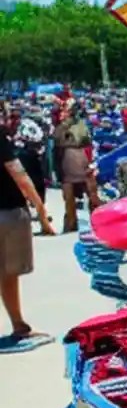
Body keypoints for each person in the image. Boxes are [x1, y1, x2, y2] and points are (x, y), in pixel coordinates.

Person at [0, 108, 56, 352]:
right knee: (9, 272)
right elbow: (19, 175)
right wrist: (42, 213)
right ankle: (20, 327)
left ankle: (20, 325)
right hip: (8, 212)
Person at [52, 100, 100, 233]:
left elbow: (85, 141)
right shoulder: (59, 127)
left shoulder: (82, 125)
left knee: (92, 195)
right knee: (69, 198)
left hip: (82, 160)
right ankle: (71, 224)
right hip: (67, 163)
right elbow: (57, 141)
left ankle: (99, 222)